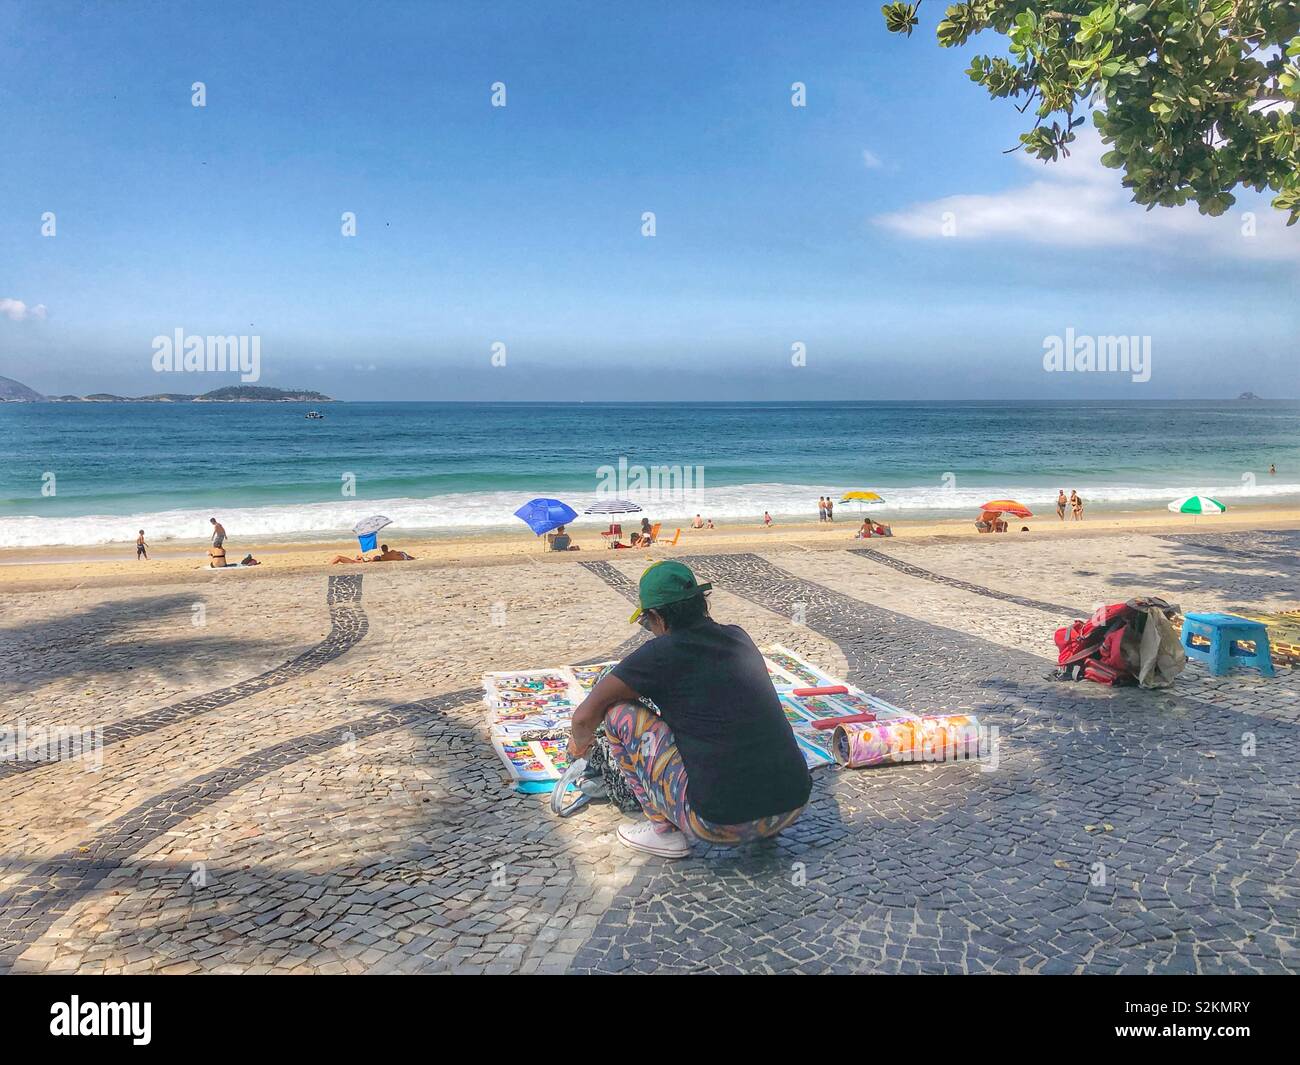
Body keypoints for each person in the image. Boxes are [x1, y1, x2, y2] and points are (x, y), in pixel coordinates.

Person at [567, 561, 811, 858]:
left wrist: (579, 747)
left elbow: (585, 716)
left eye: (647, 623)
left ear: (658, 617)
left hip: (716, 822)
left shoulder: (660, 654)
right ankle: (762, 825)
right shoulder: (737, 636)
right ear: (700, 604)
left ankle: (663, 832)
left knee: (618, 715)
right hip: (792, 806)